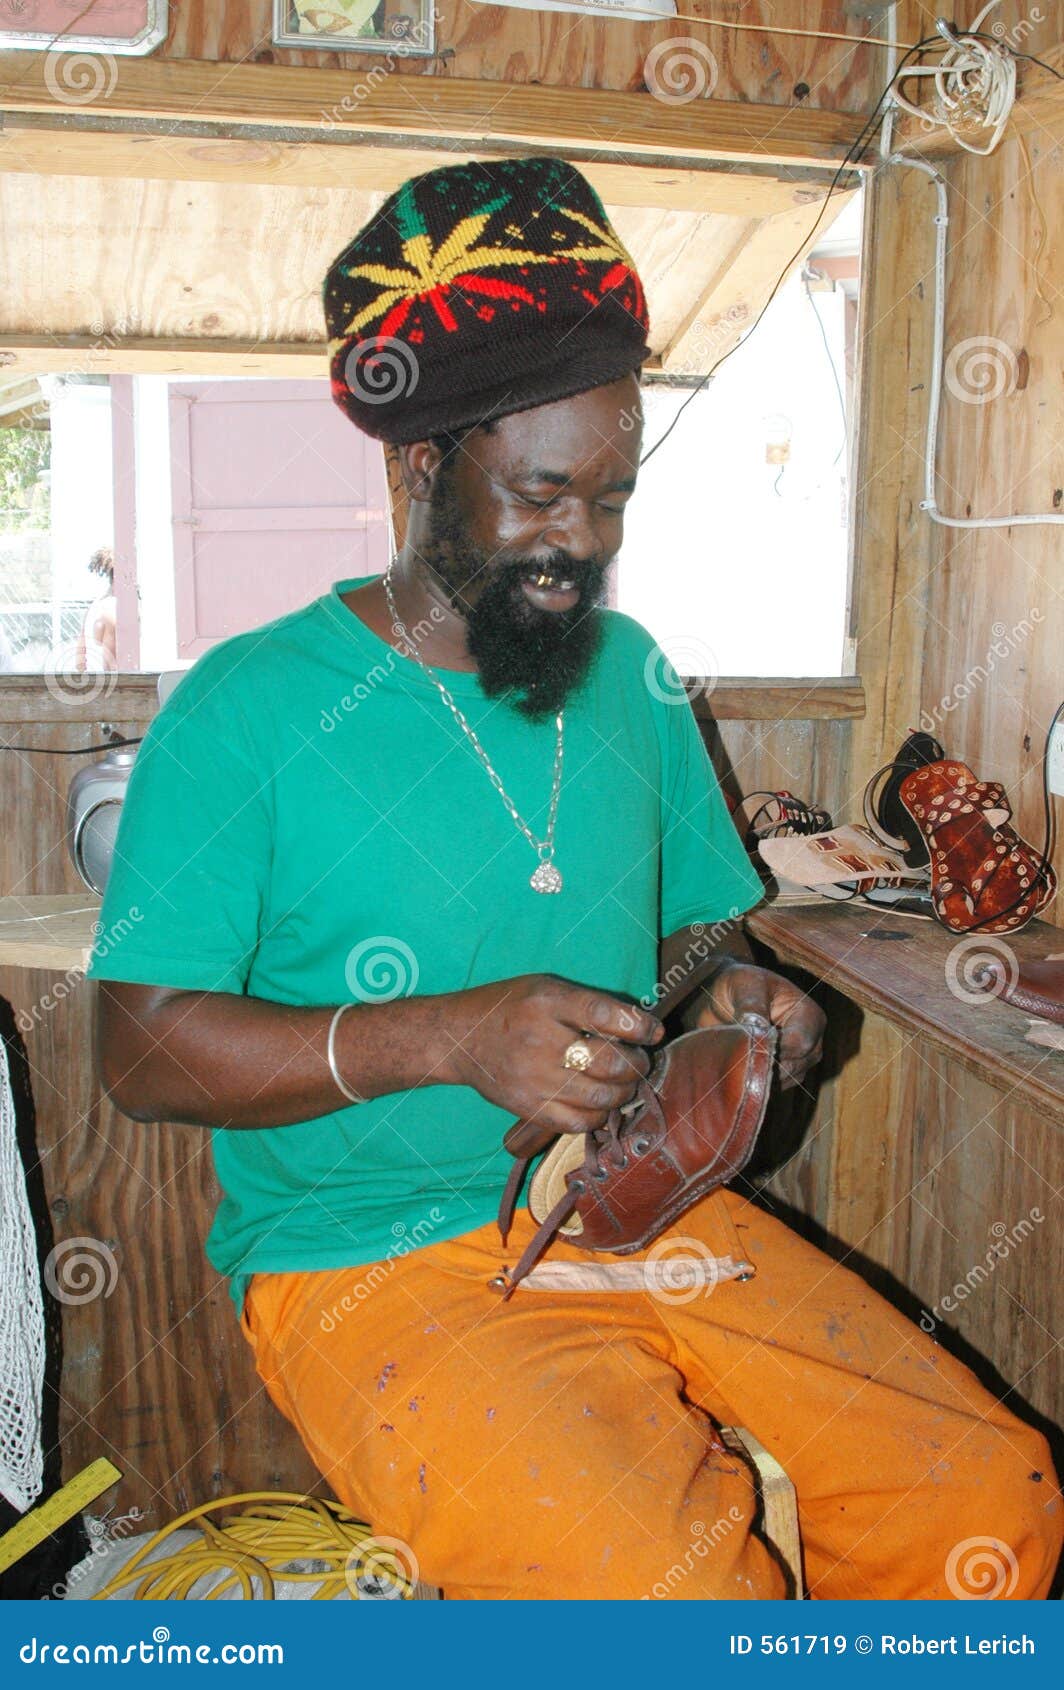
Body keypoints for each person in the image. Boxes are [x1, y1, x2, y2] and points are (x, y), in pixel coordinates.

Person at [88, 156, 1061, 1601]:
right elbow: (139, 1051)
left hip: (635, 1202)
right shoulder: (248, 708)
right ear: (420, 466)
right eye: (544, 495)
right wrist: (449, 1036)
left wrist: (739, 990)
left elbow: (698, 927)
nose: (586, 546)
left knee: (989, 1493)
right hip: (364, 1260)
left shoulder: (633, 681)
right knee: (671, 1597)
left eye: (613, 496)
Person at [74, 545, 117, 672]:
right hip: (111, 687)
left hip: (93, 685)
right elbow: (111, 667)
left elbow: (80, 662)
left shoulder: (94, 607)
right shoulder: (114, 610)